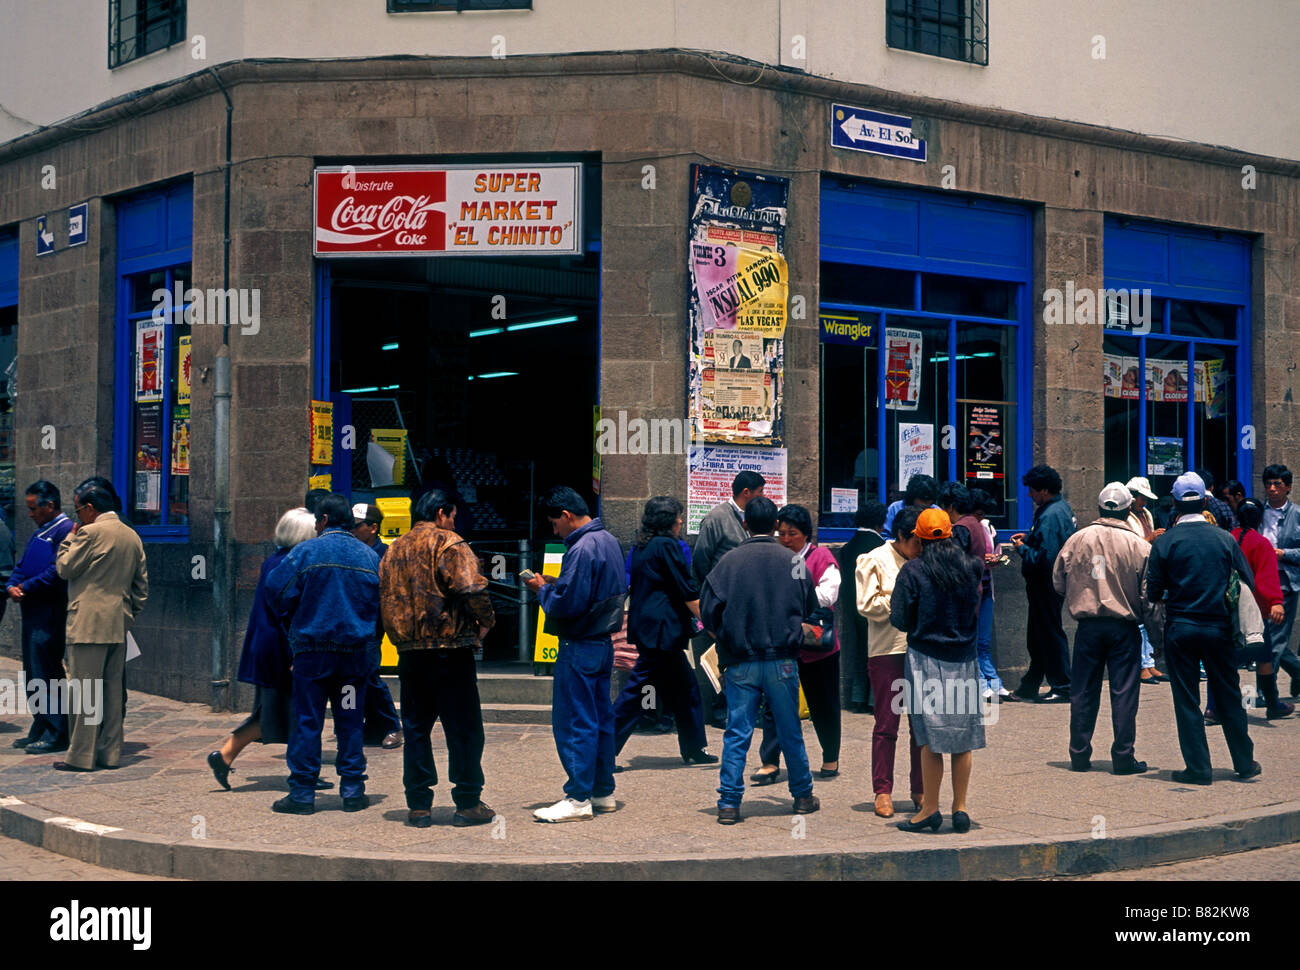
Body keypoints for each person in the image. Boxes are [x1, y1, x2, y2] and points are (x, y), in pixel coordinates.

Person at [700, 496, 821, 824]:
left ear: (744, 524)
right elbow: (809, 607)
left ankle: (729, 803)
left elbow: (709, 611)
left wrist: (726, 635)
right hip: (783, 658)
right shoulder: (794, 561)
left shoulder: (729, 561)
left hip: (741, 659)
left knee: (737, 730)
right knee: (789, 728)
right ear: (775, 526)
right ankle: (802, 795)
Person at [380, 488, 497, 828]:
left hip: (410, 654)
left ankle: (419, 806)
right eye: (453, 516)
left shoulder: (393, 551)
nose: (453, 522)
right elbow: (472, 588)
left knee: (416, 730)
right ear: (443, 512)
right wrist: (486, 622)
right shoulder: (449, 543)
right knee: (464, 730)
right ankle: (467, 802)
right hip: (450, 651)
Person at [266, 494, 381, 814]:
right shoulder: (369, 556)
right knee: (350, 720)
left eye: (317, 520)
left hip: (313, 656)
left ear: (325, 520)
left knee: (308, 720)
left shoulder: (305, 552)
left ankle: (302, 793)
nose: (315, 526)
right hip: (353, 657)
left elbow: (276, 590)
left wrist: (294, 619)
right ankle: (353, 790)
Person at [1145, 473, 1259, 785]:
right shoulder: (1224, 539)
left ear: (1174, 503)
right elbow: (1247, 578)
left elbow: (1153, 593)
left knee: (1186, 699)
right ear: (1206, 501)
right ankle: (1244, 763)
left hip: (1181, 628)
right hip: (1219, 629)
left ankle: (1198, 768)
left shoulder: (1165, 542)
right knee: (1228, 695)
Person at [524, 486, 626, 822]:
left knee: (574, 721)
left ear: (567, 516)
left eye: (555, 524)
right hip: (601, 643)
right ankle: (602, 790)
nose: (555, 531)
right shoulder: (608, 541)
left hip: (578, 644)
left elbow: (567, 605)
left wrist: (543, 591)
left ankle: (578, 796)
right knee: (600, 718)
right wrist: (557, 583)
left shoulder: (581, 548)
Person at [208, 508, 324, 790]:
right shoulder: (290, 563)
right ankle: (303, 773)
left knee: (274, 712)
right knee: (293, 711)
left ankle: (225, 756)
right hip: (280, 649)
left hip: (269, 646)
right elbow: (288, 612)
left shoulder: (274, 560)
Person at [889, 509, 985, 834]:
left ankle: (930, 808)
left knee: (928, 738)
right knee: (962, 738)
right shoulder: (972, 567)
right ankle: (960, 807)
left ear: (919, 537)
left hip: (925, 657)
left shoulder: (912, 572)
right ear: (948, 534)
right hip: (964, 658)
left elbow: (899, 618)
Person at [1053, 484, 1153, 775]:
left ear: (1099, 508)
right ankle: (1123, 756)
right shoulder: (1139, 546)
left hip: (1089, 626)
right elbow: (1149, 595)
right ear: (1126, 510)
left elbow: (1058, 581)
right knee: (1124, 692)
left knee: (1083, 690)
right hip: (1124, 627)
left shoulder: (1077, 539)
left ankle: (1079, 754)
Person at [611, 497, 716, 767]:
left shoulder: (642, 545)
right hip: (662, 632)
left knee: (686, 689)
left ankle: (694, 748)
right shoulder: (667, 546)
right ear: (667, 522)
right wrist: (712, 624)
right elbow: (686, 589)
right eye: (677, 517)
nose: (681, 521)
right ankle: (602, 753)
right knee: (636, 693)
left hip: (652, 629)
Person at [52, 482, 149, 772]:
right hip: (117, 622)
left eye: (78, 509)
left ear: (90, 508)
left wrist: (68, 539)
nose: (77, 516)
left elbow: (65, 568)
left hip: (86, 623)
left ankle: (81, 755)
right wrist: (127, 615)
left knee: (84, 693)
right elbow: (141, 587)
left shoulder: (89, 532)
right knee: (111, 693)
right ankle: (110, 754)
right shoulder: (131, 535)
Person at [752, 504, 843, 782]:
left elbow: (828, 594)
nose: (786, 539)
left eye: (792, 533)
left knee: (823, 703)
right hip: (783, 644)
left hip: (816, 647)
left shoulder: (820, 557)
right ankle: (769, 760)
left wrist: (791, 600)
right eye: (781, 533)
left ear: (806, 535)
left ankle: (830, 756)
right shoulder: (777, 558)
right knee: (775, 704)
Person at [857, 506, 925, 818]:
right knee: (887, 724)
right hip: (887, 650)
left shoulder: (924, 560)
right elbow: (867, 605)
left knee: (921, 725)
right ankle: (882, 790)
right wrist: (902, 596)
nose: (920, 549)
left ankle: (920, 787)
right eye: (916, 542)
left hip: (921, 649)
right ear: (900, 536)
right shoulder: (873, 560)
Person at [692, 470, 765, 727]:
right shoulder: (716, 519)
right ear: (747, 493)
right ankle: (721, 710)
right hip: (724, 604)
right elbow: (700, 562)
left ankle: (748, 709)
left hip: (750, 604)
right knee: (724, 657)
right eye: (759, 493)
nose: (762, 497)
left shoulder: (756, 519)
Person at [8, 481, 75, 753]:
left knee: (47, 672)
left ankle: (57, 729)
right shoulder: (39, 533)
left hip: (49, 612)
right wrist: (12, 584)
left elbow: (56, 571)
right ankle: (40, 722)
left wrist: (25, 587)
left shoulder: (64, 530)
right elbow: (22, 565)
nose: (30, 514)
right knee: (33, 673)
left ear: (50, 505)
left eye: (34, 508)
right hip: (30, 611)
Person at [1009, 465, 1075, 703]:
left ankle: (1064, 686)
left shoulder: (1050, 515)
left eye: (1032, 491)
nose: (1029, 495)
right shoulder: (1058, 509)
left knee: (1048, 633)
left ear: (1044, 490)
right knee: (1038, 635)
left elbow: (1044, 558)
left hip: (1045, 583)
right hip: (1048, 583)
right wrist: (1029, 539)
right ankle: (1030, 685)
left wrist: (1022, 548)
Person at [1229, 498, 1293, 720]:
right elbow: (1266, 577)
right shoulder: (1261, 543)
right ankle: (1272, 704)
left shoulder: (1228, 538)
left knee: (1223, 659)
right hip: (1253, 611)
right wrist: (1276, 601)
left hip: (1227, 608)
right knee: (1264, 658)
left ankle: (1215, 708)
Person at [351, 503, 402, 750]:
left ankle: (391, 724)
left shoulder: (387, 554)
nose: (353, 530)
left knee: (369, 674)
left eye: (357, 526)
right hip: (353, 620)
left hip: (373, 621)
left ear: (373, 528)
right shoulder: (350, 551)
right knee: (357, 675)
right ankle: (371, 726)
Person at [836, 500, 887, 714]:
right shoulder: (880, 548)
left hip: (852, 608)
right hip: (873, 609)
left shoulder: (848, 547)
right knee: (876, 655)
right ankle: (873, 699)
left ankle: (857, 696)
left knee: (858, 653)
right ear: (880, 523)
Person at [1259, 464, 1300, 696]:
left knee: (1275, 638)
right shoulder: (1258, 512)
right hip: (1261, 581)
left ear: (1288, 488)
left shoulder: (1296, 515)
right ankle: (1297, 671)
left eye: (1278, 484)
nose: (1272, 489)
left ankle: (1265, 693)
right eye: (1268, 484)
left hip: (1285, 581)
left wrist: (1284, 553)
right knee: (1267, 637)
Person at [968, 489, 1009, 701]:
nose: (981, 519)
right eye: (978, 514)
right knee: (971, 640)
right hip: (970, 591)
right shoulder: (963, 528)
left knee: (983, 641)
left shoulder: (988, 527)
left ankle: (994, 683)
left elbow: (1002, 556)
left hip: (985, 590)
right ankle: (982, 683)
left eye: (983, 515)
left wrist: (995, 560)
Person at [1125, 476, 1167, 684]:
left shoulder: (1146, 514)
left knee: (1151, 614)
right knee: (1140, 620)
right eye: (1142, 498)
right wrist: (1149, 539)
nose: (1144, 502)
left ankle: (1150, 664)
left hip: (1148, 565)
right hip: (1134, 568)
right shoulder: (1126, 517)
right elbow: (1129, 546)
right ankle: (1142, 665)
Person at [882, 474, 938, 539]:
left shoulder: (936, 511)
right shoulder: (895, 508)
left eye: (929, 502)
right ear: (913, 496)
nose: (926, 505)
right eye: (923, 501)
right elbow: (884, 536)